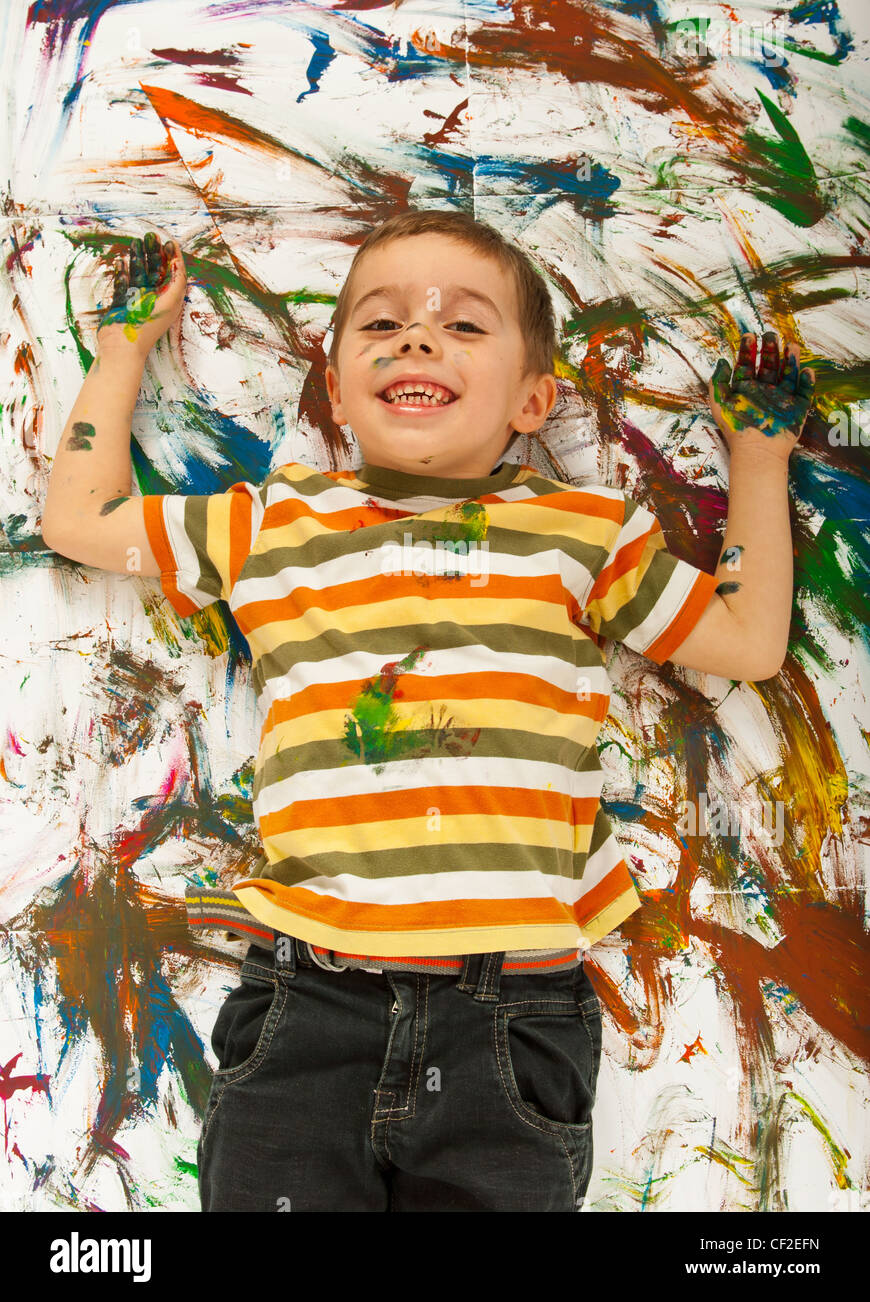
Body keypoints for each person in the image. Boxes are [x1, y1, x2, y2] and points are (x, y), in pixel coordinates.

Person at [41, 209, 814, 1212]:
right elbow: (79, 520)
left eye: (462, 326)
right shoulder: (278, 522)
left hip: (511, 1012)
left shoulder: (582, 532)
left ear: (535, 399)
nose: (416, 338)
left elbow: (746, 643)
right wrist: (121, 347)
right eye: (383, 324)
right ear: (337, 392)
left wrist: (760, 457)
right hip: (308, 1002)